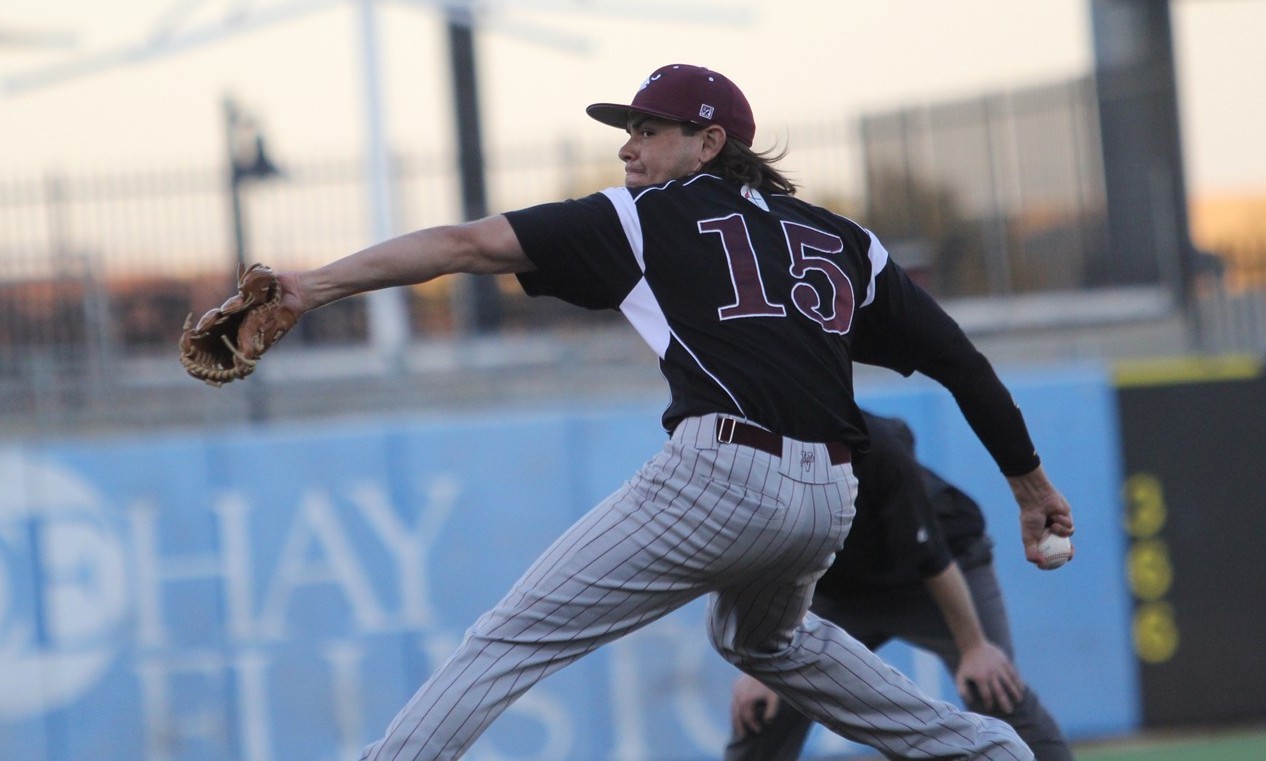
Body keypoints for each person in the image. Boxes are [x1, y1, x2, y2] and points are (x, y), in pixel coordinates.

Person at [266, 63, 1074, 760]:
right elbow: (960, 362)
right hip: (829, 492)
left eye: (649, 130)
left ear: (709, 143)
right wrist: (1031, 486)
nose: (628, 147)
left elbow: (462, 245)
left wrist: (314, 286)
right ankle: (987, 749)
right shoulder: (845, 241)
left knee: (514, 635)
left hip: (721, 473)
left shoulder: (644, 216)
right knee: (762, 639)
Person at [726, 410, 1074, 761]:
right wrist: (762, 661)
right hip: (841, 594)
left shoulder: (875, 449)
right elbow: (753, 562)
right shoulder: (751, 458)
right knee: (764, 704)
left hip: (941, 577)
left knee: (992, 685)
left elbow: (932, 559)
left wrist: (974, 646)